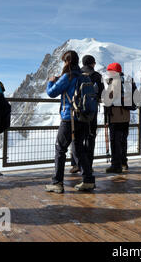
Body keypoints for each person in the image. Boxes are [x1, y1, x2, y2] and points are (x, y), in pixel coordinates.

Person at [45, 50, 95, 193]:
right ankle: (88, 180)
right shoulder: (83, 76)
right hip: (83, 118)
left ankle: (57, 183)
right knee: (79, 149)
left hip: (69, 118)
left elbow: (51, 93)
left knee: (60, 149)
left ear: (67, 62)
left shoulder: (68, 76)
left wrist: (50, 82)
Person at [70, 54, 104, 174]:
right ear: (93, 63)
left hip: (77, 111)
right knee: (90, 137)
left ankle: (76, 164)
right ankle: (88, 164)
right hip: (92, 111)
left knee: (76, 137)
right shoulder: (97, 76)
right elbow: (102, 93)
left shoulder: (77, 75)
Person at [103, 62, 137, 173]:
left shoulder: (115, 81)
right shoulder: (127, 80)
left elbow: (110, 98)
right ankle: (123, 162)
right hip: (125, 116)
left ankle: (115, 165)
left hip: (115, 116)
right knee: (123, 140)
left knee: (115, 141)